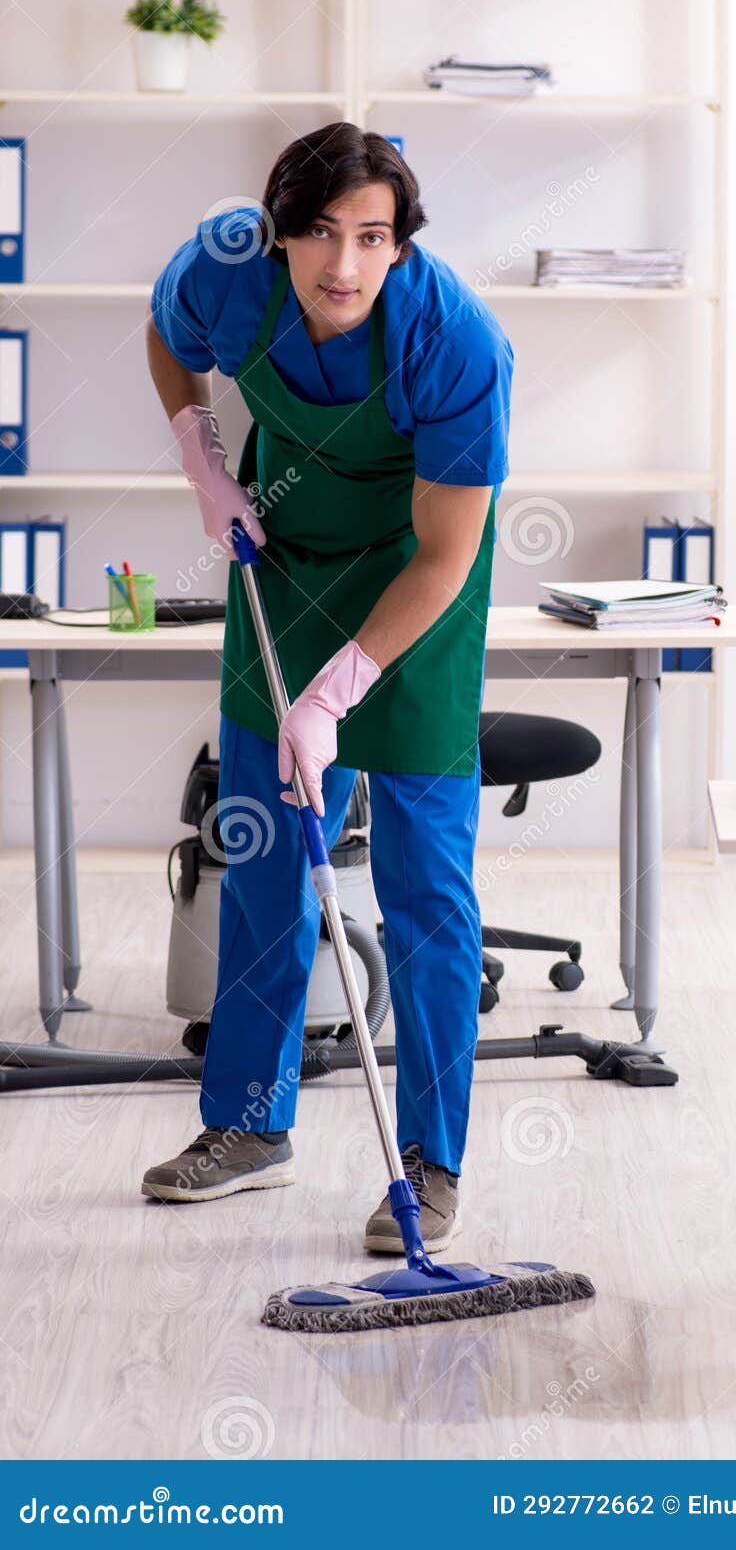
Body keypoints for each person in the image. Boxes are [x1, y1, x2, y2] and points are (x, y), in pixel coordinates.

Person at [142, 122, 513, 1253]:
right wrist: (203, 456)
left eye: (370, 237)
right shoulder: (223, 265)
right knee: (260, 861)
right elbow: (166, 337)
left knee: (424, 892)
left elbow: (446, 553)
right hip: (284, 564)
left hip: (413, 599)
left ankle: (429, 1160)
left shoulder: (453, 339)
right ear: (276, 232)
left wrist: (341, 687)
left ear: (400, 244)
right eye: (316, 233)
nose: (342, 265)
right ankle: (251, 1127)